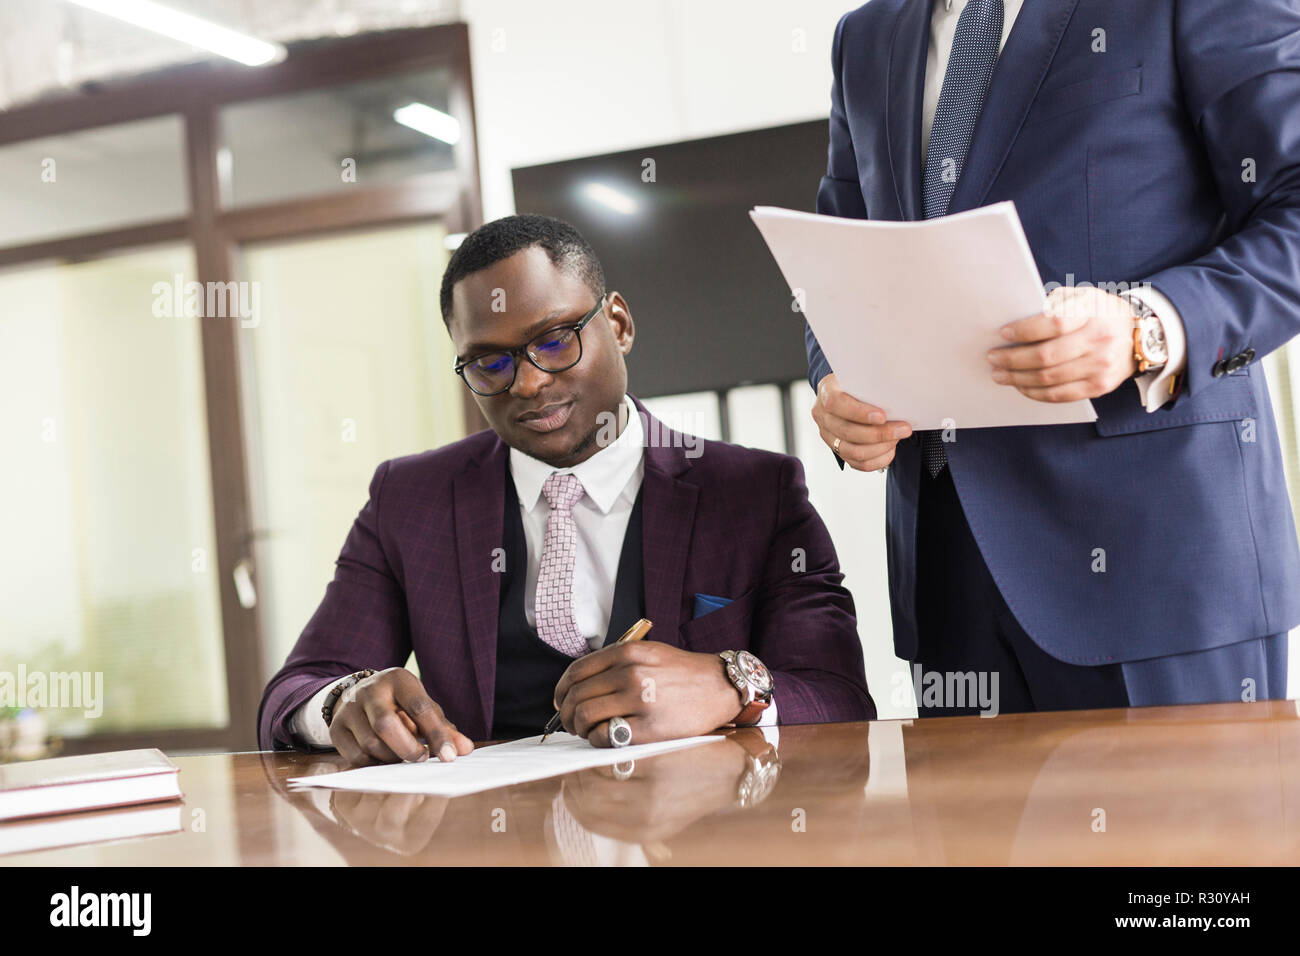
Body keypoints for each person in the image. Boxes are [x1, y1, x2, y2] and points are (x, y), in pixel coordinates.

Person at [807, 0, 1300, 715]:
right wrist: (836, 378)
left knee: (1181, 833)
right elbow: (839, 261)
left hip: (1158, 575)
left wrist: (1149, 326)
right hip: (949, 589)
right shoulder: (865, 37)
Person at [259, 214, 873, 762]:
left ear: (619, 323)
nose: (526, 384)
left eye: (554, 341)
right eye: (489, 364)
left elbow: (839, 694)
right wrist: (344, 700)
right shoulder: (410, 499)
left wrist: (730, 686)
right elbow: (294, 691)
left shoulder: (754, 492)